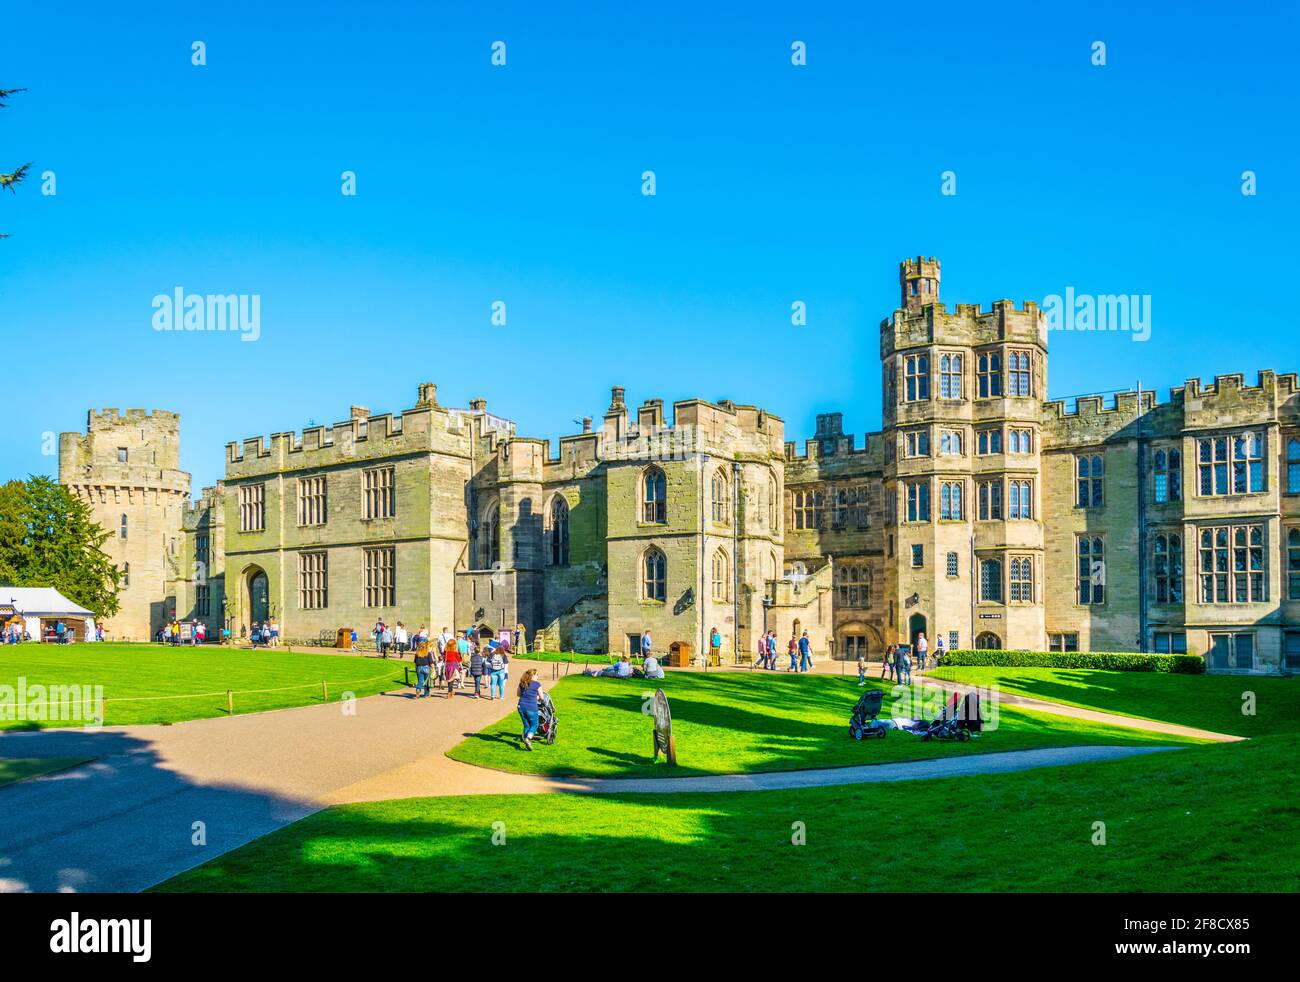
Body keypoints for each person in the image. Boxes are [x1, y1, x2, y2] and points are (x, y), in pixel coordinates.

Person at [517, 669, 544, 751]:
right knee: (535, 725)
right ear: (532, 676)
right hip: (531, 707)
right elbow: (542, 698)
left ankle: (526, 742)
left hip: (520, 706)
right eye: (536, 675)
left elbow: (518, 694)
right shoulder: (537, 684)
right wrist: (538, 698)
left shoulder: (522, 683)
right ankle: (528, 738)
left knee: (526, 725)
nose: (538, 676)